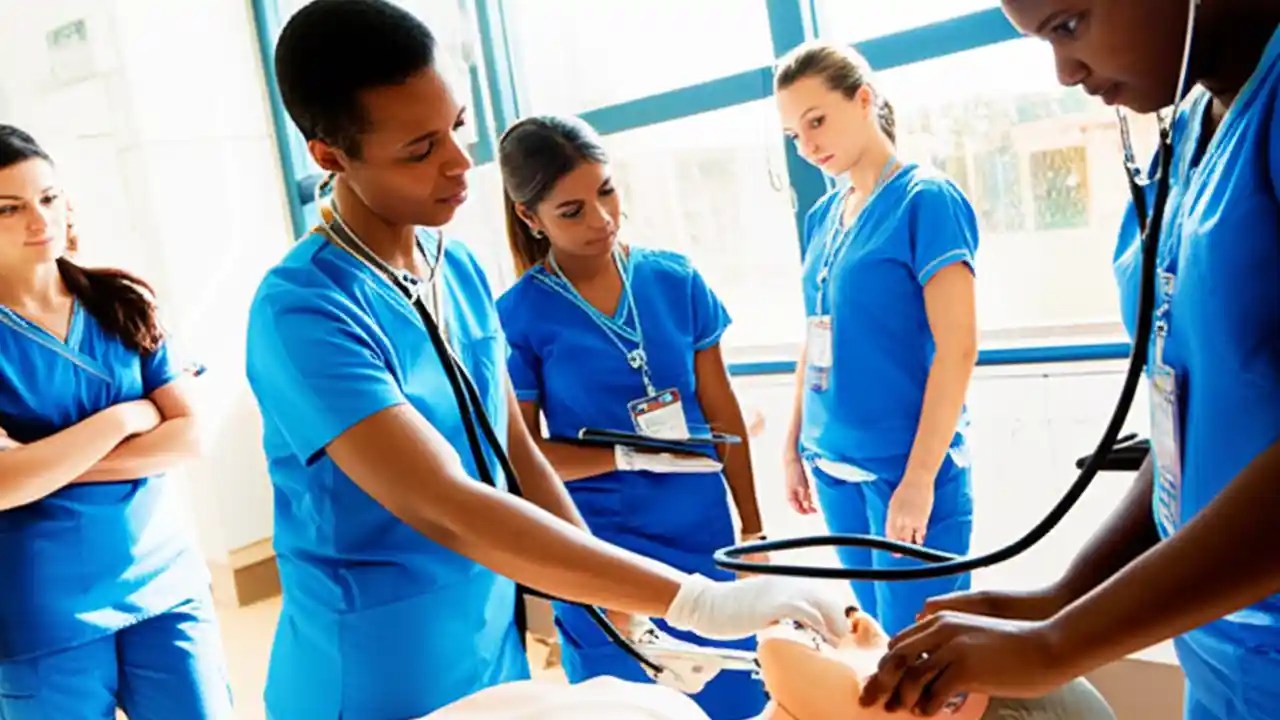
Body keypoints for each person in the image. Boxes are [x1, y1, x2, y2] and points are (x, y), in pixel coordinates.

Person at [244, 2, 846, 718]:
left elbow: (517, 453)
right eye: (419, 148)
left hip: (490, 645)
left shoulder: (455, 268)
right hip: (373, 670)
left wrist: (609, 605)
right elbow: (446, 505)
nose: (460, 163)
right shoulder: (303, 310)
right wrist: (698, 599)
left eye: (458, 127)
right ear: (329, 155)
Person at [858, 1, 1280, 718]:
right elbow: (1198, 427)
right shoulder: (1190, 138)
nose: (1064, 72)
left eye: (1069, 24)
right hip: (1226, 667)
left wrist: (1058, 643)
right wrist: (1058, 598)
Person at [494, 114, 769, 720]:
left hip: (703, 535)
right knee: (626, 704)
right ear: (529, 217)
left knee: (734, 696)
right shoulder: (518, 315)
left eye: (607, 190)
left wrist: (752, 530)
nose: (601, 219)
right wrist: (624, 455)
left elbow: (720, 410)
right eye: (571, 210)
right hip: (598, 546)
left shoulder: (675, 280)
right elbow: (523, 455)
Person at [0, 125, 232, 718]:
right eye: (10, 208)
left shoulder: (123, 302)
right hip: (41, 606)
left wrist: (42, 464)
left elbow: (190, 434)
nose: (38, 221)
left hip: (166, 582)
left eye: (48, 198)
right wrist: (128, 415)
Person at [772, 41, 982, 635]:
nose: (808, 145)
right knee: (875, 645)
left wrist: (918, 482)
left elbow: (958, 348)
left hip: (904, 471)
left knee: (922, 655)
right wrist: (793, 444)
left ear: (863, 100)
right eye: (793, 134)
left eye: (816, 121)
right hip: (834, 465)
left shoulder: (925, 200)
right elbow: (815, 337)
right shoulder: (824, 216)